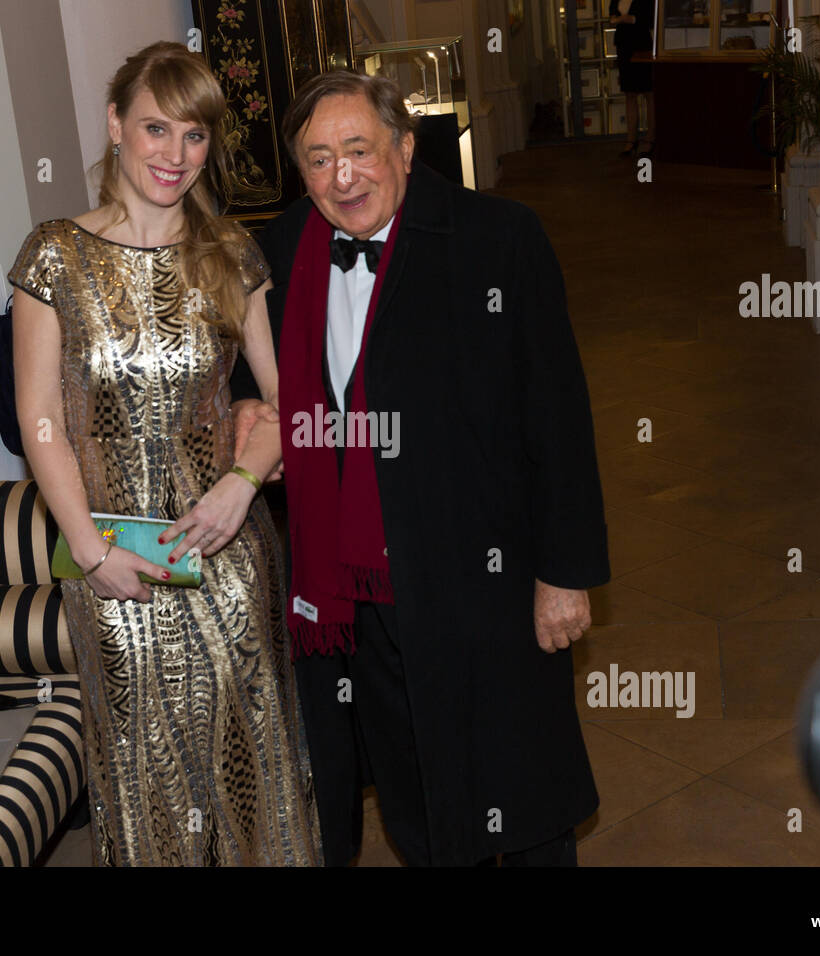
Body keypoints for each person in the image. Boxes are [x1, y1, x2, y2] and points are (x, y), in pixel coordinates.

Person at [230, 70, 610, 866]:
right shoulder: (288, 245)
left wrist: (564, 572)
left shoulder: (499, 239)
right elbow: (259, 368)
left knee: (518, 786)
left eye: (360, 149)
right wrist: (246, 411)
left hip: (486, 576)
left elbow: (558, 417)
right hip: (358, 589)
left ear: (405, 148)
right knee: (415, 790)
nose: (343, 177)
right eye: (319, 158)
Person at [7, 41, 320, 866]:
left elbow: (292, 402)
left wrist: (242, 488)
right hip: (109, 564)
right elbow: (39, 421)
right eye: (155, 129)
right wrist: (89, 549)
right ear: (115, 125)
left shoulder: (232, 256)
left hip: (228, 552)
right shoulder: (53, 256)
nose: (174, 157)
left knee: (254, 766)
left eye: (194, 137)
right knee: (144, 775)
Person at [610, 0, 656, 157]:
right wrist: (620, 19)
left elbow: (651, 20)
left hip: (642, 45)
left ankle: (650, 137)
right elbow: (612, 16)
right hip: (624, 46)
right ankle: (631, 139)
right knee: (629, 93)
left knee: (649, 92)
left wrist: (631, 19)